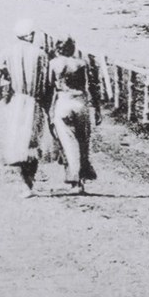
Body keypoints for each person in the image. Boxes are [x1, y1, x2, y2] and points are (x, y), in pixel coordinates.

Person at [0, 18, 54, 194]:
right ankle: (30, 183)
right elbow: (49, 83)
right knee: (32, 142)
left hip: (15, 102)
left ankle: (24, 183)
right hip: (35, 102)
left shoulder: (7, 52)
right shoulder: (41, 54)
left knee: (18, 142)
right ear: (30, 35)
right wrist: (48, 105)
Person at [48, 37, 100, 194]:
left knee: (68, 142)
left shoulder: (54, 64)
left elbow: (50, 87)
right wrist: (96, 108)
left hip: (63, 101)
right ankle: (81, 179)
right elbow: (91, 86)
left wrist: (49, 109)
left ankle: (74, 180)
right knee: (83, 141)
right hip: (80, 102)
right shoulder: (81, 64)